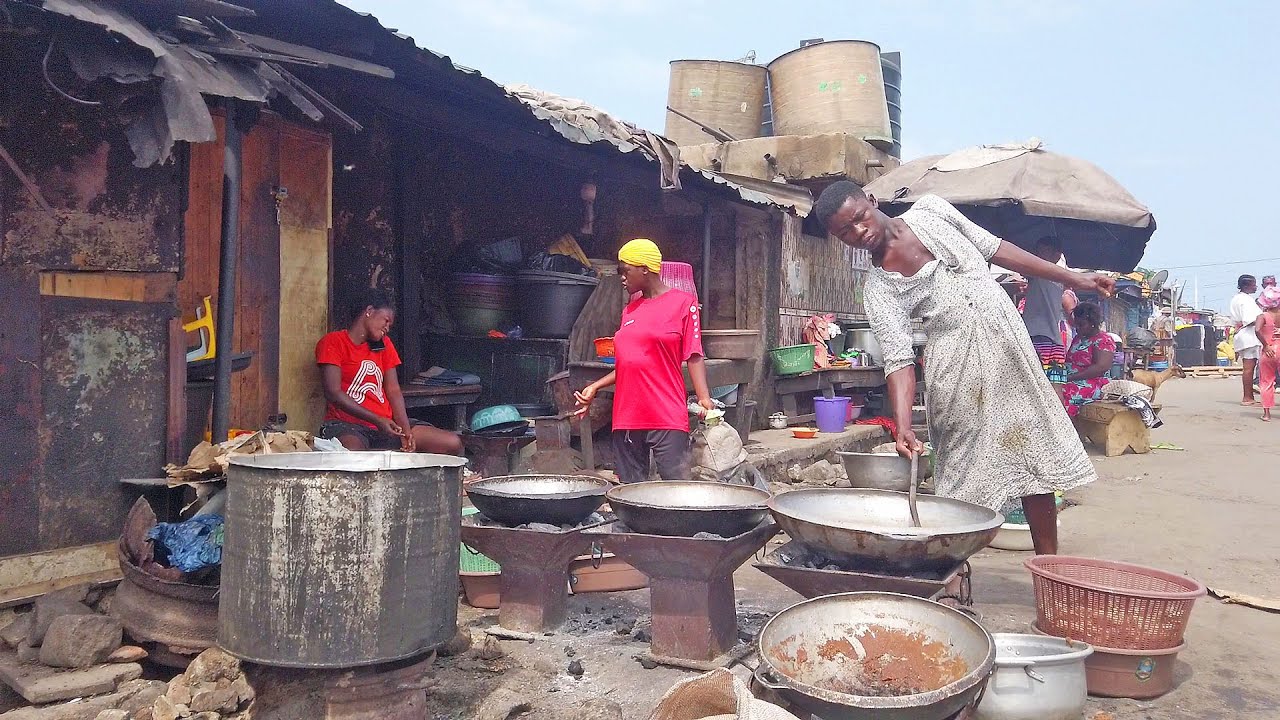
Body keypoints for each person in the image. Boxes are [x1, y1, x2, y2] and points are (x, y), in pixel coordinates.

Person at [813, 182, 1115, 555]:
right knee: (962, 474)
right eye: (845, 232)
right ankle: (955, 577)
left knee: (1034, 458)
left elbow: (997, 249)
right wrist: (903, 425)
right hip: (956, 371)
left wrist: (1073, 278)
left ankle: (1047, 568)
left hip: (1009, 350)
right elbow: (898, 359)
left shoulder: (932, 210)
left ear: (872, 202)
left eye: (859, 219)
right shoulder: (879, 287)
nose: (858, 232)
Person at [575, 239, 714, 484]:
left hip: (666, 414)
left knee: (677, 490)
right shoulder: (630, 309)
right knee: (631, 494)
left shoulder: (683, 304)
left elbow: (694, 354)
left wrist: (704, 397)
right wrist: (596, 387)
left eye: (624, 270)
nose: (621, 277)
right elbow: (630, 363)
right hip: (627, 417)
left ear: (645, 269)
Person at [316, 289, 464, 454]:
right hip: (347, 425)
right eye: (386, 321)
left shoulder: (384, 345)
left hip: (388, 425)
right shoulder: (333, 342)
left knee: (452, 443)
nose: (387, 328)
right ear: (369, 311)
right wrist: (377, 420)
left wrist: (405, 431)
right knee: (353, 455)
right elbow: (333, 392)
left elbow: (393, 390)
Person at [1021, 237, 1076, 392]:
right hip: (1054, 339)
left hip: (1036, 336)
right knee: (1055, 385)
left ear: (1057, 254)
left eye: (1043, 250)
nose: (1037, 254)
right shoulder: (1059, 278)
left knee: (1032, 385)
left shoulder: (1037, 271)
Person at [1060, 303, 1118, 416]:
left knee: (1062, 395)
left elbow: (1101, 368)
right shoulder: (1079, 338)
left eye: (1081, 324)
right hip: (1071, 379)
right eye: (1076, 324)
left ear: (1092, 323)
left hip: (1092, 382)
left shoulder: (1103, 340)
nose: (1078, 328)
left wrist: (1070, 377)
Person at [1229, 275, 1262, 406]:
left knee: (1249, 367)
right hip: (1250, 336)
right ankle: (1247, 397)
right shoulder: (1245, 300)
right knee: (1249, 367)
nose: (1256, 287)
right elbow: (1251, 319)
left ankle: (1249, 396)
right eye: (1254, 284)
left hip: (1244, 336)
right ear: (1247, 286)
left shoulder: (1236, 298)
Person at [1255, 287, 1280, 421]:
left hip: (1268, 350)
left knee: (1266, 381)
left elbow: (1258, 330)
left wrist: (1265, 345)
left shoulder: (1263, 316)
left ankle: (1267, 413)